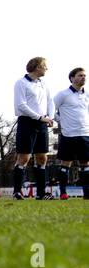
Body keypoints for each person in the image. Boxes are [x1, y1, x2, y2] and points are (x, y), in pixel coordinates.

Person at [13, 57, 56, 200]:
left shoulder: (44, 84)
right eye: (44, 66)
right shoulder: (21, 83)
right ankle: (17, 192)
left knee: (42, 157)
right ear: (37, 67)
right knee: (24, 157)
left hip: (42, 123)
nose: (46, 69)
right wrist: (39, 117)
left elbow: (50, 101)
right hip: (27, 122)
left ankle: (41, 193)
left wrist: (50, 117)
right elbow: (21, 105)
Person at [53, 67, 88, 200]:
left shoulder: (87, 95)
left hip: (85, 134)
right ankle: (63, 192)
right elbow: (51, 108)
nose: (83, 77)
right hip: (68, 135)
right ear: (72, 78)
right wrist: (59, 119)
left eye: (84, 75)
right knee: (65, 164)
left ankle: (87, 193)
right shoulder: (63, 94)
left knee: (85, 164)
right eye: (80, 75)